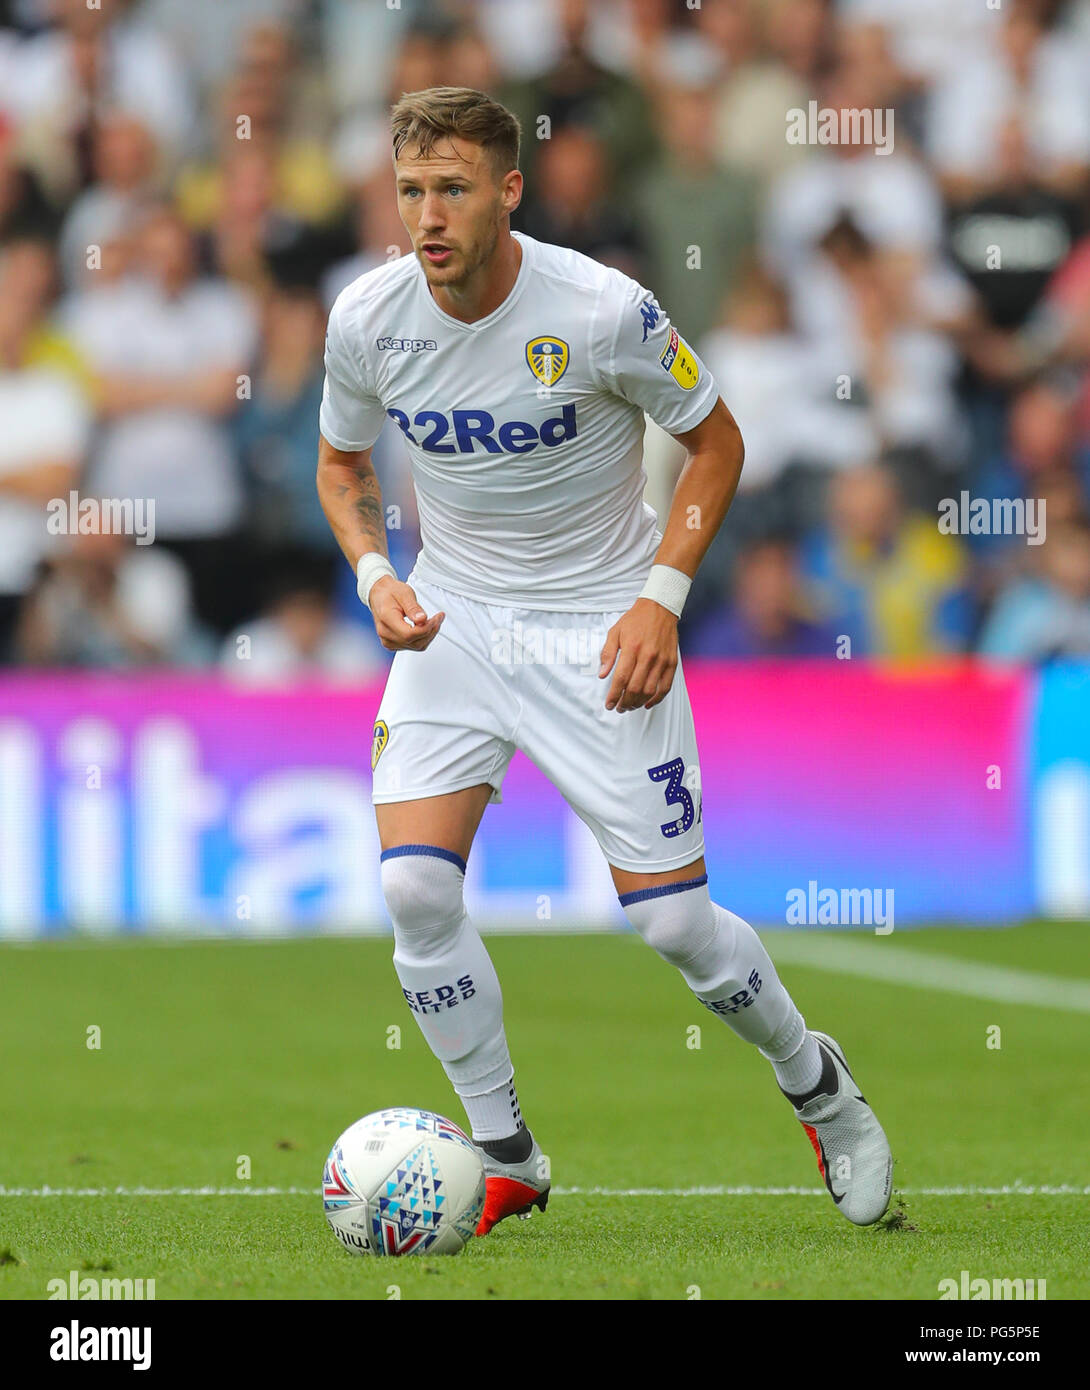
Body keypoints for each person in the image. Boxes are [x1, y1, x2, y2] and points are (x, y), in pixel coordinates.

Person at [316, 87, 893, 1241]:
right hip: (457, 621)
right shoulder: (368, 318)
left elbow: (717, 443)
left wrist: (659, 600)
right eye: (413, 191)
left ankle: (820, 1087)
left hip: (602, 630)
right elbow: (342, 467)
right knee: (415, 888)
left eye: (454, 190)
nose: (429, 216)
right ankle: (507, 1154)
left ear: (508, 192)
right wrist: (378, 573)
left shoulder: (599, 310)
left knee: (677, 929)